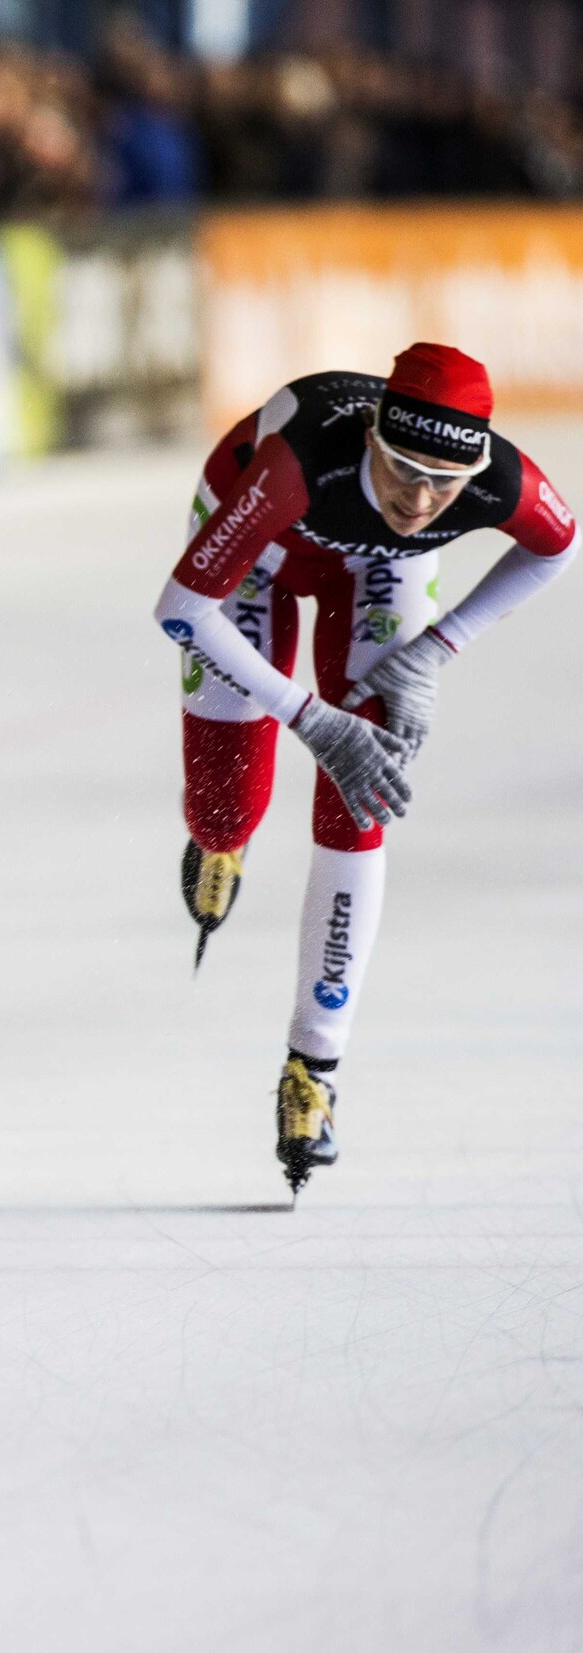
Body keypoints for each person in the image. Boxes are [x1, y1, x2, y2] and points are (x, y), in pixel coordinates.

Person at [153, 344, 574, 1194]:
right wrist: (310, 717)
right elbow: (182, 609)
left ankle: (315, 1069)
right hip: (254, 561)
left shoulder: (502, 483)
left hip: (376, 574)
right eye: (402, 470)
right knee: (228, 803)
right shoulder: (295, 464)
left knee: (362, 792)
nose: (419, 501)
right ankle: (221, 839)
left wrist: (436, 651)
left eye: (445, 485)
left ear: (477, 471)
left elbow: (557, 547)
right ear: (371, 440)